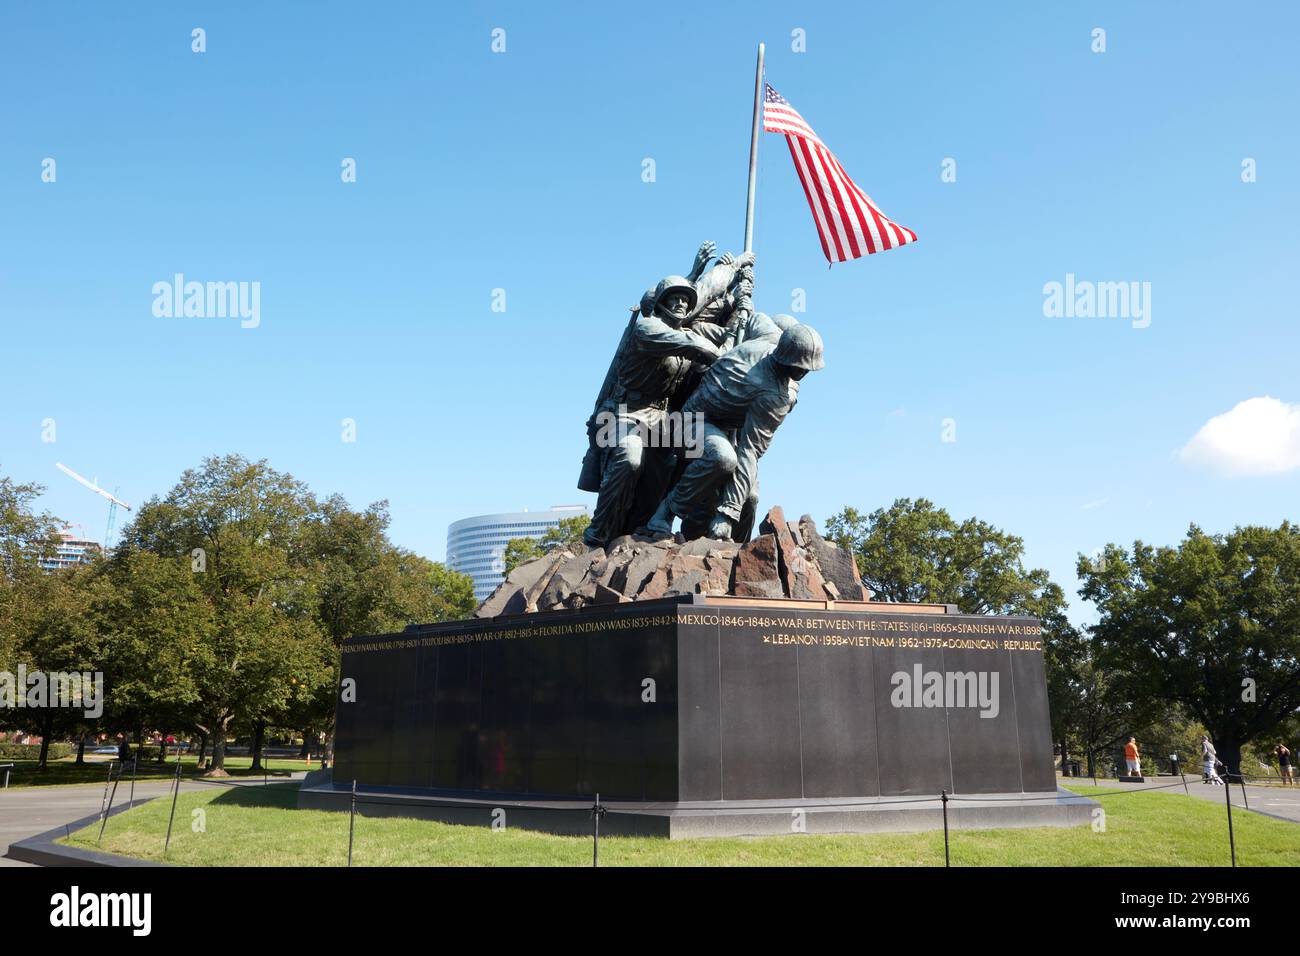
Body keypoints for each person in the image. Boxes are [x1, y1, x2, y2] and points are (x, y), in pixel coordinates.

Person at [579, 249, 752, 548]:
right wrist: (717, 353)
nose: (682, 303)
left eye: (686, 299)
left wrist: (737, 281)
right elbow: (692, 345)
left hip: (663, 418)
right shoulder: (648, 328)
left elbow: (709, 293)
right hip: (624, 413)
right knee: (629, 458)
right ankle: (598, 533)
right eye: (674, 298)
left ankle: (667, 521)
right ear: (659, 303)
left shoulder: (687, 326)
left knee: (707, 456)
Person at [645, 323, 825, 541]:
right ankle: (665, 513)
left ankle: (737, 550)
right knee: (722, 457)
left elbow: (750, 451)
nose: (803, 372)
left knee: (750, 498)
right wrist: (727, 513)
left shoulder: (779, 390)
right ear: (784, 356)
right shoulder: (773, 378)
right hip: (691, 421)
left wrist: (728, 511)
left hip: (731, 432)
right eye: (799, 366)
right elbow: (748, 318)